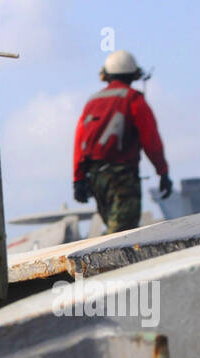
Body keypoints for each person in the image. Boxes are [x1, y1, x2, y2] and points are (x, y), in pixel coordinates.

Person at [72, 51, 172, 233]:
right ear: (135, 74)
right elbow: (151, 140)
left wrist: (78, 179)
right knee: (122, 235)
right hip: (122, 178)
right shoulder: (133, 99)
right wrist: (162, 172)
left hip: (95, 179)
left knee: (114, 229)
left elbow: (80, 142)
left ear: (105, 74)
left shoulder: (92, 102)